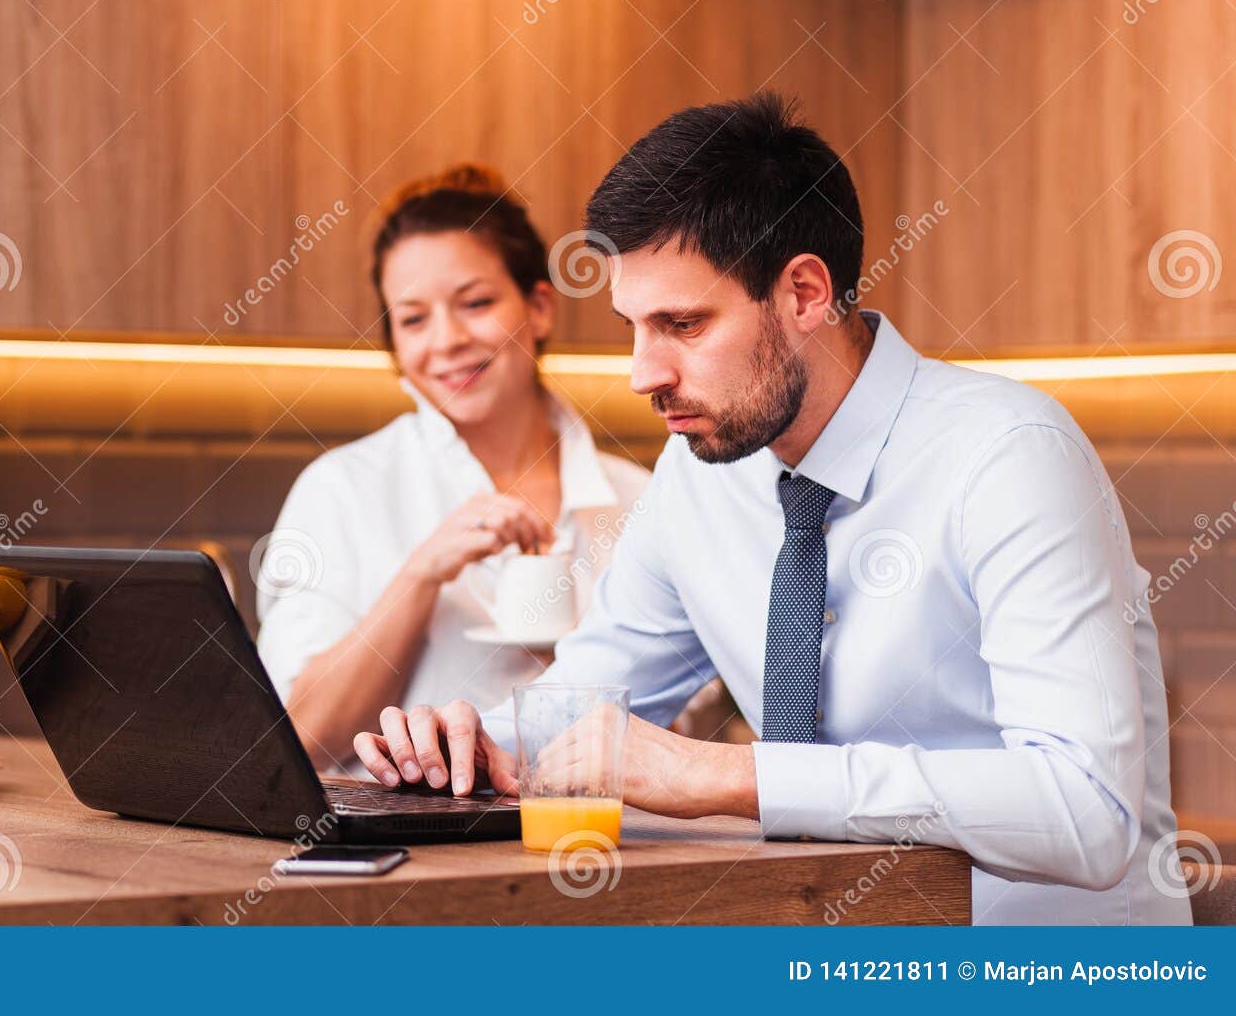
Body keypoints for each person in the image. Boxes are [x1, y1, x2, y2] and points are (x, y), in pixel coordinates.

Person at [352, 95, 1189, 925]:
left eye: (682, 323)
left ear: (804, 294)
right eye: (634, 327)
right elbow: (588, 703)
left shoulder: (1010, 455)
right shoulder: (701, 473)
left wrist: (735, 777)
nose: (643, 373)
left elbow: (1089, 811)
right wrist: (469, 741)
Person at [255, 165, 650, 771]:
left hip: (597, 835)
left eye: (475, 303)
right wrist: (420, 577)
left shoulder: (639, 500)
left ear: (539, 307)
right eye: (413, 319)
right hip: (406, 850)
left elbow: (678, 724)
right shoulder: (343, 489)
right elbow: (303, 740)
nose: (446, 341)